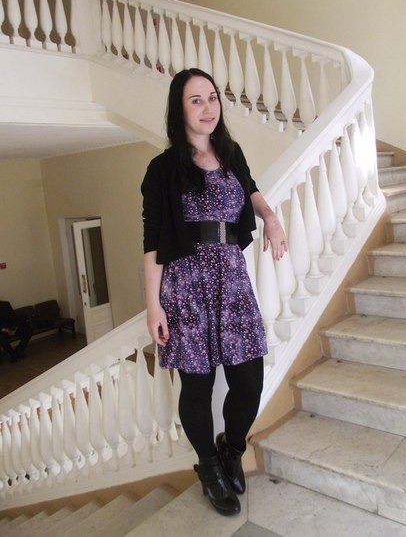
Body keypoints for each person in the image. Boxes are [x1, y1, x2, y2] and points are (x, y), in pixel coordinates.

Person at [141, 68, 287, 516]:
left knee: (249, 379)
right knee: (198, 384)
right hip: (185, 283)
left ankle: (232, 449)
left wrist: (270, 217)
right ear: (179, 109)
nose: (208, 108)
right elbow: (152, 241)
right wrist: (153, 305)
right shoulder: (163, 168)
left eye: (212, 98)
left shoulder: (230, 152)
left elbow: (252, 191)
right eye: (196, 100)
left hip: (231, 278)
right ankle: (208, 466)